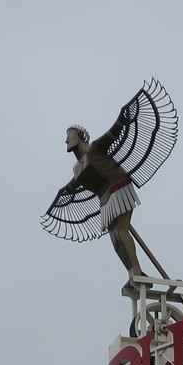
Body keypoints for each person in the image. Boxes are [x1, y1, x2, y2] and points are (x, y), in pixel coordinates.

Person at [59, 122, 150, 286]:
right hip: (105, 198)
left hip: (118, 187)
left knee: (121, 230)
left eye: (69, 136)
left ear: (79, 136)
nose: (66, 141)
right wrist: (63, 192)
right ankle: (131, 273)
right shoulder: (77, 168)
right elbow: (72, 185)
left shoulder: (95, 148)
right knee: (115, 240)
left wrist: (126, 116)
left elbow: (115, 130)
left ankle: (137, 271)